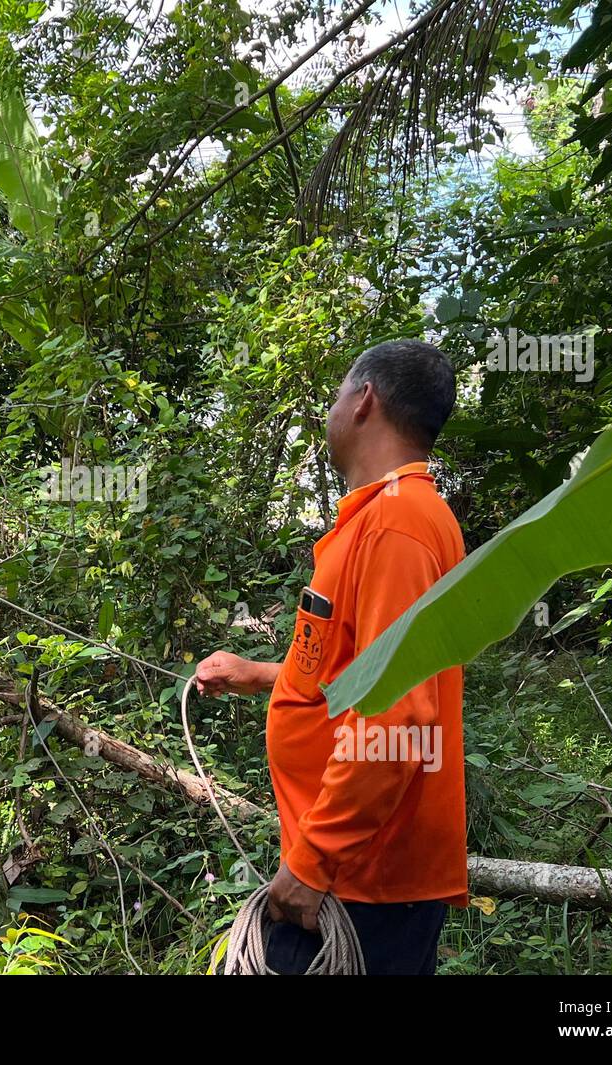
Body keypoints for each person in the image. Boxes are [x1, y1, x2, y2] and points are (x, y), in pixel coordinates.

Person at [195, 339, 467, 975]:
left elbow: (397, 718)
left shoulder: (398, 528)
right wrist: (260, 675)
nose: (333, 409)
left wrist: (313, 862)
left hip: (359, 882)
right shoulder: (382, 519)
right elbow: (362, 673)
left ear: (364, 400)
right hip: (351, 873)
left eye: (340, 393)